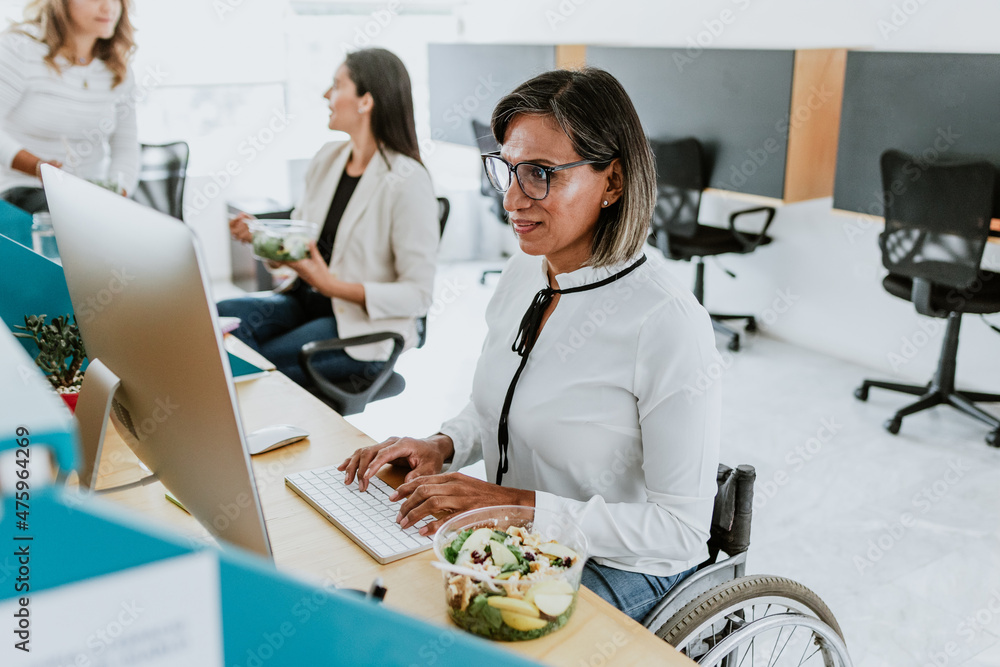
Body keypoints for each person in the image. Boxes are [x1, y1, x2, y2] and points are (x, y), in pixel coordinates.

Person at [340, 68, 722, 622]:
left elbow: (682, 533)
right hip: (525, 540)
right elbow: (494, 406)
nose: (513, 200)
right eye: (509, 171)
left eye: (541, 174)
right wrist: (442, 445)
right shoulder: (525, 273)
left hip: (620, 565)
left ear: (612, 182)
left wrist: (515, 506)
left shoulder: (666, 323)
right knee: (392, 594)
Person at [219, 48, 439, 388]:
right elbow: (298, 247)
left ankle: (268, 430)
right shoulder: (327, 159)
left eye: (336, 86)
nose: (326, 95)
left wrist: (330, 285)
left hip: (361, 330)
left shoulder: (407, 180)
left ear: (366, 101)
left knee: (247, 362)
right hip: (305, 302)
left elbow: (418, 295)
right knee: (219, 318)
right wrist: (260, 235)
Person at [0, 0, 138, 213]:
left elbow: (126, 146)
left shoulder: (118, 68)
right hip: (22, 191)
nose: (109, 7)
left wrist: (118, 194)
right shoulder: (20, 48)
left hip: (89, 196)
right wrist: (38, 168)